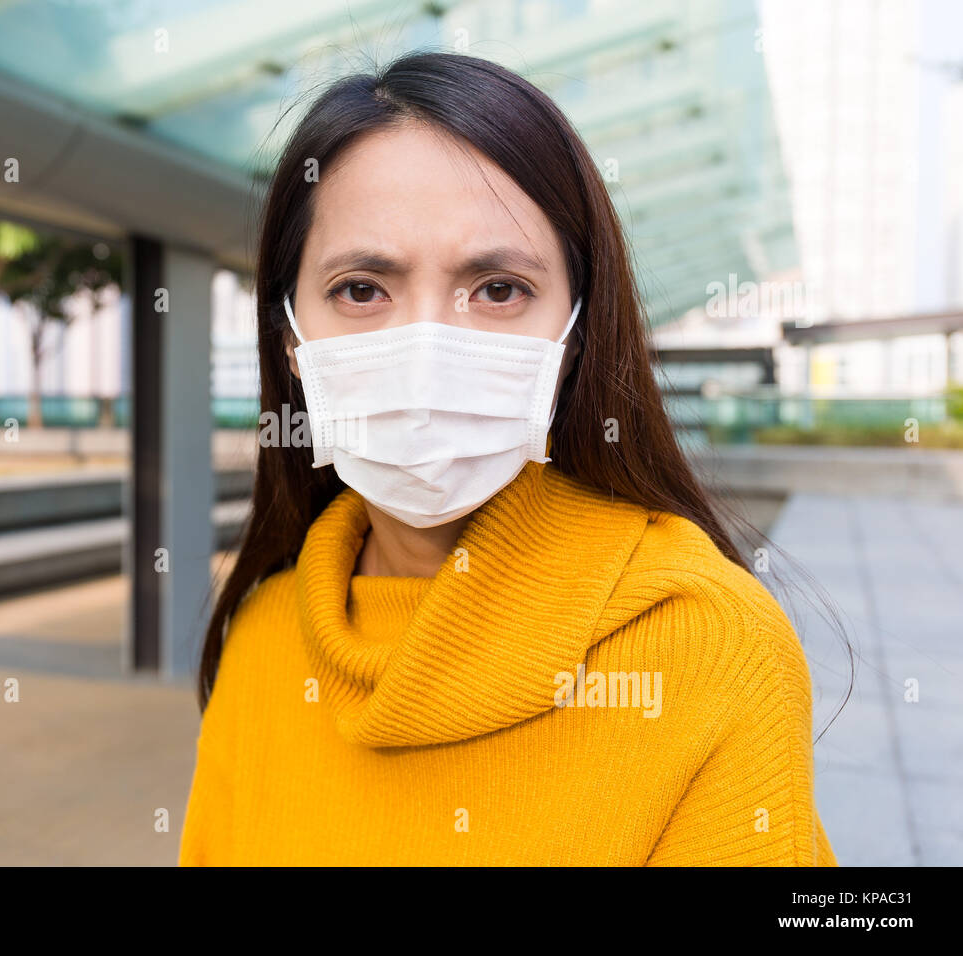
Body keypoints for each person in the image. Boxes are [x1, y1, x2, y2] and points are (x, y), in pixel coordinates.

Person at [179, 51, 838, 866]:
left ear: (575, 334)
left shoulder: (711, 647)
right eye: (361, 289)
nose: (426, 349)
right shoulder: (263, 640)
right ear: (289, 339)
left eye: (497, 289)